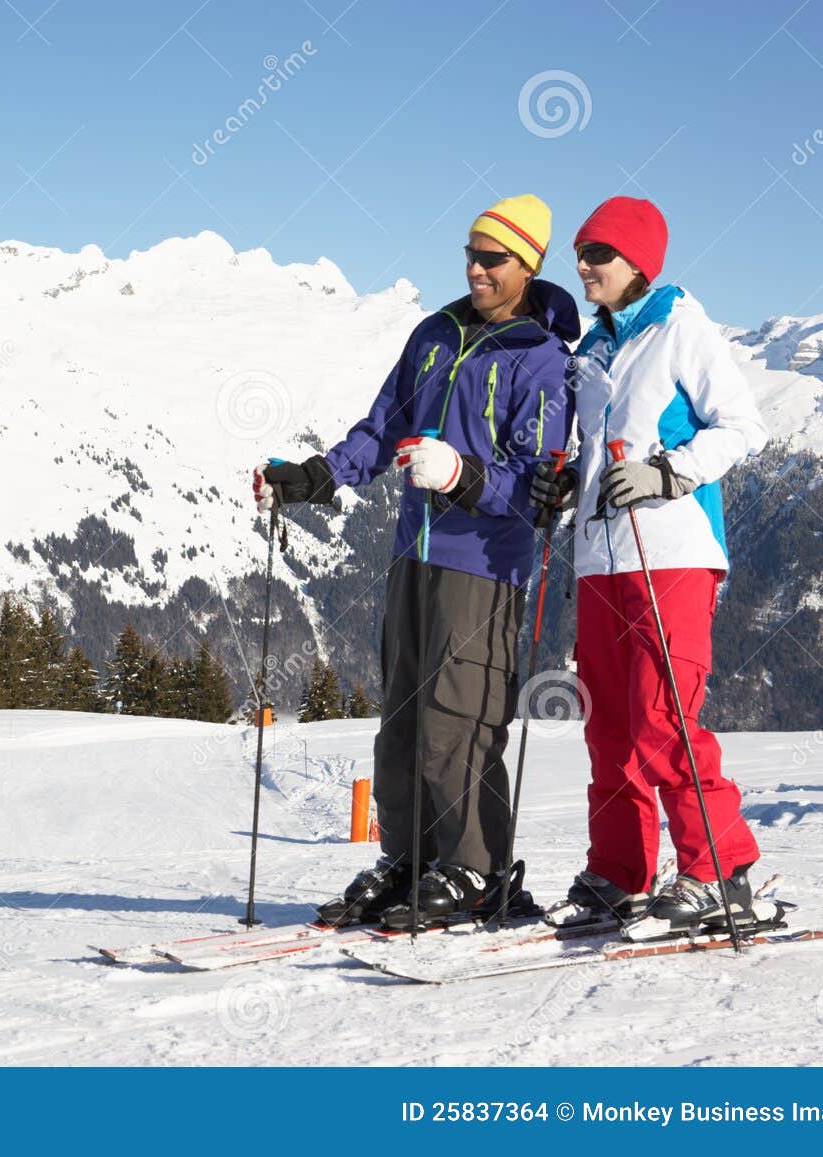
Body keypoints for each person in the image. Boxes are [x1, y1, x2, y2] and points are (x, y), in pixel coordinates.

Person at [255, 194, 577, 928]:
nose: (476, 268)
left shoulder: (543, 359)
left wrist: (461, 474)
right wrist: (317, 476)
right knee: (401, 715)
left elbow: (537, 483)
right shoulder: (435, 333)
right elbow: (384, 426)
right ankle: (410, 855)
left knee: (457, 717)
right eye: (470, 252)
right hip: (413, 551)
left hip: (484, 562)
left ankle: (476, 869)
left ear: (527, 264)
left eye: (492, 258)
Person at [530, 196, 769, 934]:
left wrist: (672, 473)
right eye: (579, 251)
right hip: (600, 559)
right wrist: (567, 484)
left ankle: (719, 871)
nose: (583, 266)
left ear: (638, 262)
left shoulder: (679, 329)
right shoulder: (592, 351)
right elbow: (598, 453)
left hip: (670, 550)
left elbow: (743, 427)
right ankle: (618, 873)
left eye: (598, 253)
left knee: (664, 716)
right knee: (609, 725)